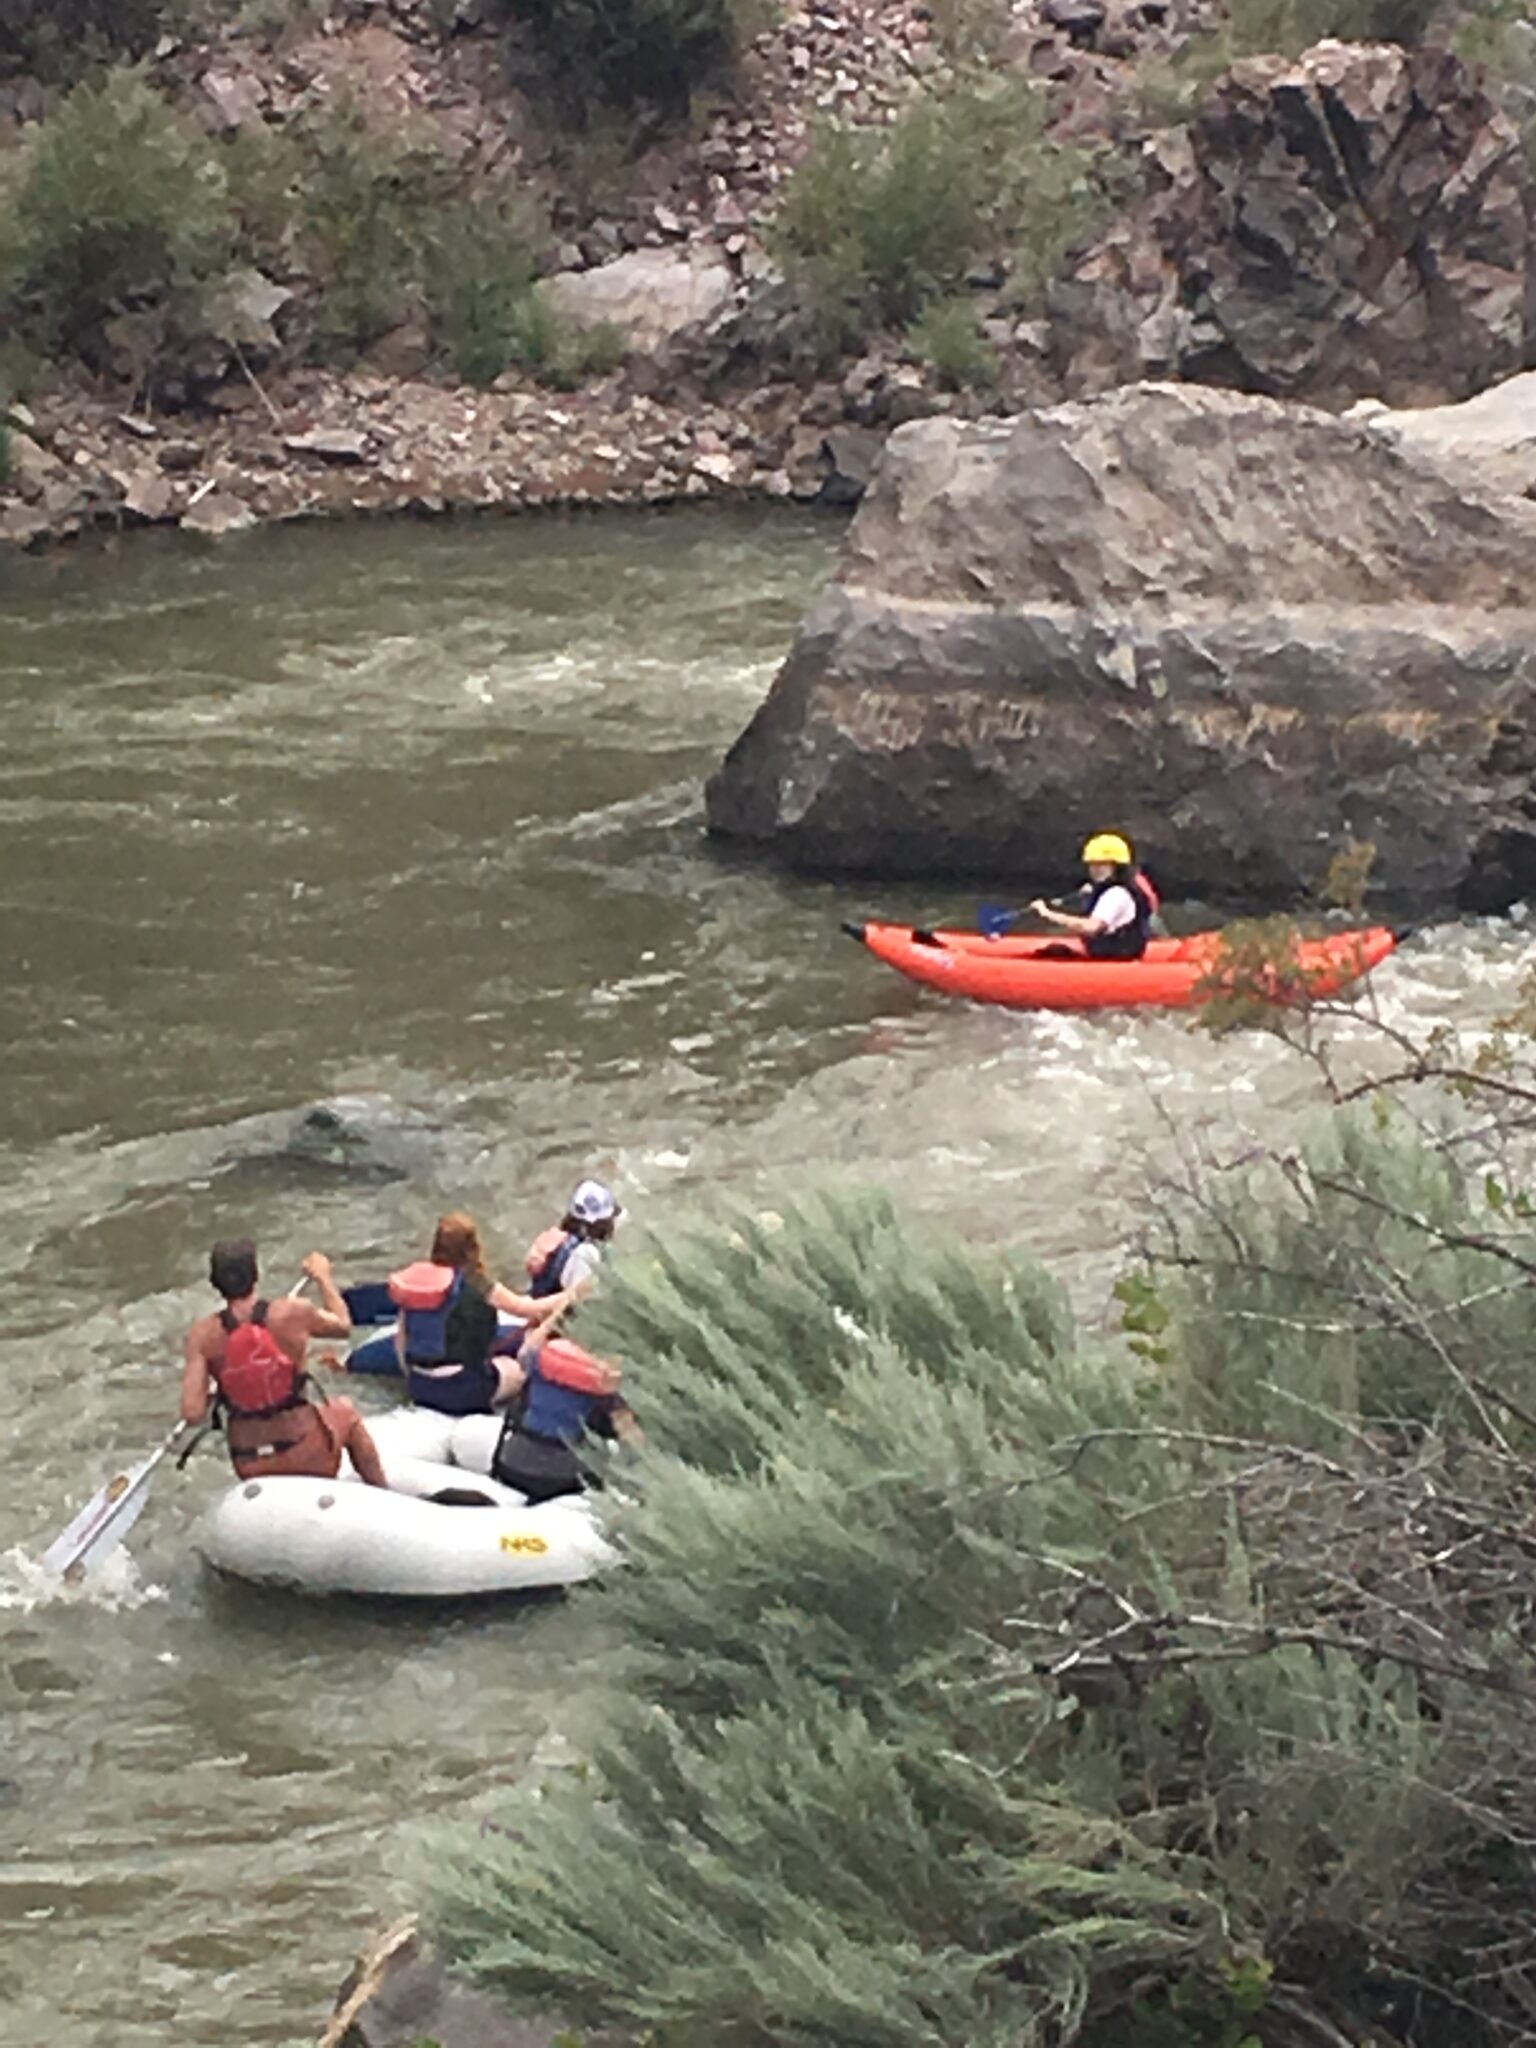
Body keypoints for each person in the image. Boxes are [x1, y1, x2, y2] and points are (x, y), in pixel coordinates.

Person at [181, 1240, 387, 1487]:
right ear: (256, 1275)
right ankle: (383, 1490)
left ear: (215, 1283)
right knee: (346, 1412)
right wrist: (323, 1278)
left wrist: (233, 1384)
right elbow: (343, 1326)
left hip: (249, 1464)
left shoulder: (203, 1336)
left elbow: (193, 1413)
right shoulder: (292, 1312)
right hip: (308, 1455)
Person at [393, 1211, 569, 1417]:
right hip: (464, 1390)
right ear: (472, 1247)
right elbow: (526, 1308)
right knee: (516, 1371)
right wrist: (572, 1295)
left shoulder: (418, 1284)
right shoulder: (478, 1283)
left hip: (419, 1386)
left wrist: (412, 1378)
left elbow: (401, 1342)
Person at [491, 1324, 642, 1504]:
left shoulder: (540, 1359)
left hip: (512, 1463)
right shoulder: (607, 1384)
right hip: (565, 1478)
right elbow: (632, 1441)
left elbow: (526, 1349)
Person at [1030, 832, 1158, 961]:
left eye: (1102, 864)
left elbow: (1091, 927)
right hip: (1110, 959)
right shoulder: (1110, 890)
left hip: (1115, 962)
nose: (1094, 869)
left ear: (1117, 866)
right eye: (1092, 864)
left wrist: (1047, 914)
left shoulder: (1117, 894)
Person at [525, 1179, 622, 1301]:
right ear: (601, 1223)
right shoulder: (587, 1253)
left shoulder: (558, 1237)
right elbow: (578, 1301)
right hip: (548, 1311)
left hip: (537, 1297)